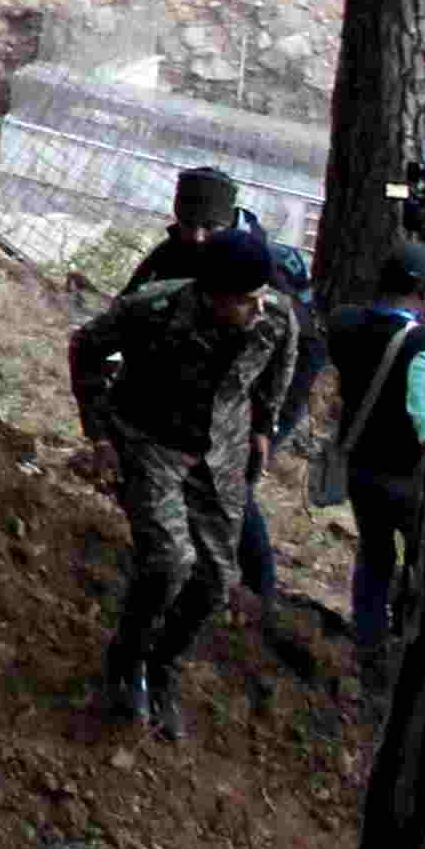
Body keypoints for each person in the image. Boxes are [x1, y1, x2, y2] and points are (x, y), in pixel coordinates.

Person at [67, 232, 306, 741]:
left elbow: (279, 365)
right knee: (169, 561)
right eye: (243, 300)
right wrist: (99, 435)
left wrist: (263, 426)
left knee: (216, 580)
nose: (256, 308)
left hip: (220, 454)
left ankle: (164, 666)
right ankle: (127, 662)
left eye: (259, 296)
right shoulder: (153, 309)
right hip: (150, 441)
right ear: (212, 294)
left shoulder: (274, 314)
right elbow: (85, 348)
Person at [128, 173, 316, 602]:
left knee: (231, 484)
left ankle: (258, 592)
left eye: (208, 227)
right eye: (187, 225)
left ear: (228, 221)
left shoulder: (257, 265)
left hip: (267, 388)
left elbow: (296, 352)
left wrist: (264, 424)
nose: (196, 237)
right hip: (202, 390)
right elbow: (132, 310)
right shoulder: (170, 255)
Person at [319, 238, 425, 681]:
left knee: (374, 555)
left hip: (359, 466)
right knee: (423, 562)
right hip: (410, 476)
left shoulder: (344, 323)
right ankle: (408, 646)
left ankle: (368, 645)